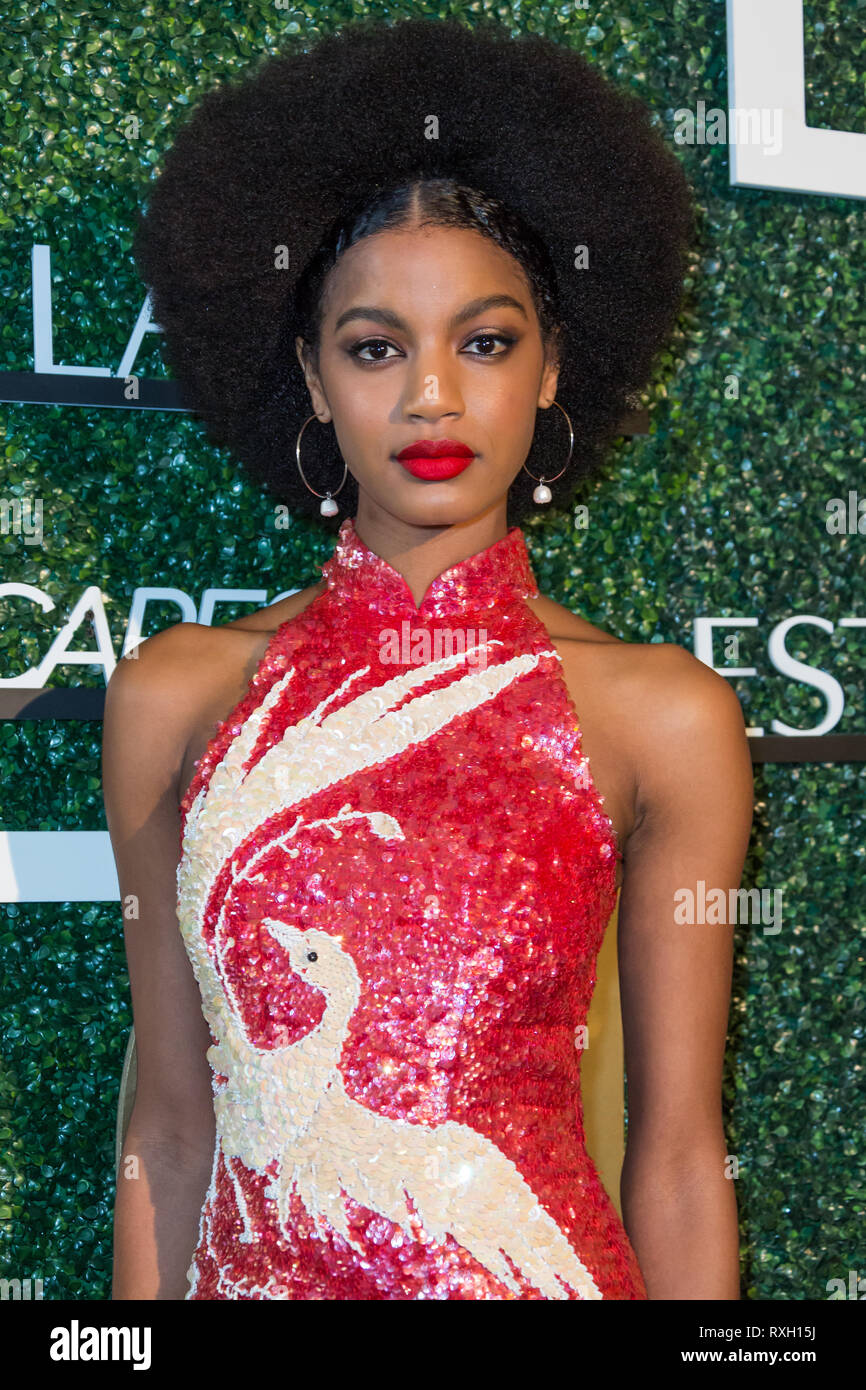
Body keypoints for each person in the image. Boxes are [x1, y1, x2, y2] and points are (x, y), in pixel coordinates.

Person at [103, 17, 753, 1300]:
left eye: (486, 341)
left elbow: (678, 1161)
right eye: (375, 346)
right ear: (310, 374)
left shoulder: (655, 714)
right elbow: (170, 1135)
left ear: (553, 366)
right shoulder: (175, 694)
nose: (432, 400)